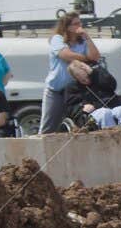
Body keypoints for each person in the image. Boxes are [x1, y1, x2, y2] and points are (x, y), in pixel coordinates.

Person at [42, 7, 102, 135]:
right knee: (49, 126)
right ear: (67, 27)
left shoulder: (82, 42)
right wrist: (86, 58)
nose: (80, 26)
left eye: (80, 23)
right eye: (76, 24)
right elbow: (65, 55)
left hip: (74, 91)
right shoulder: (57, 39)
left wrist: (87, 38)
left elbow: (95, 57)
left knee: (78, 124)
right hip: (56, 90)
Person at [69, 60, 121, 129]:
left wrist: (93, 73)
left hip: (113, 107)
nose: (87, 80)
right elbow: (70, 107)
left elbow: (112, 85)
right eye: (83, 80)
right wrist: (82, 107)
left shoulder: (99, 74)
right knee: (105, 112)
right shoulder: (72, 87)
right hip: (94, 113)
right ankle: (111, 136)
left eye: (87, 77)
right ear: (75, 78)